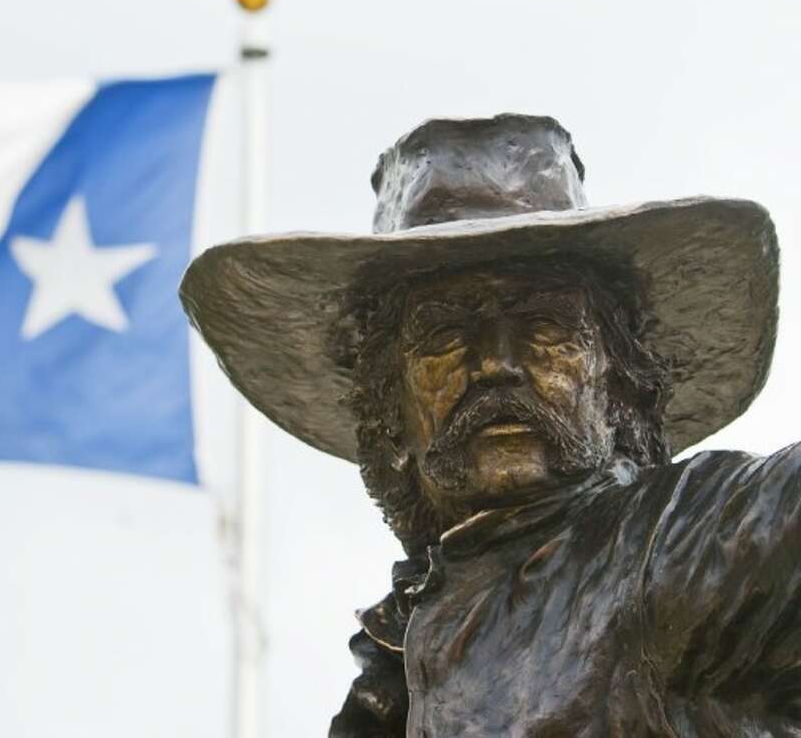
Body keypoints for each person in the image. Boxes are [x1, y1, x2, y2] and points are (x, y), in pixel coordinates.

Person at [180, 114, 798, 735]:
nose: (497, 363)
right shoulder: (394, 658)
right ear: (389, 408)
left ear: (617, 381)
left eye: (545, 325)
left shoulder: (679, 546)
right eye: (446, 332)